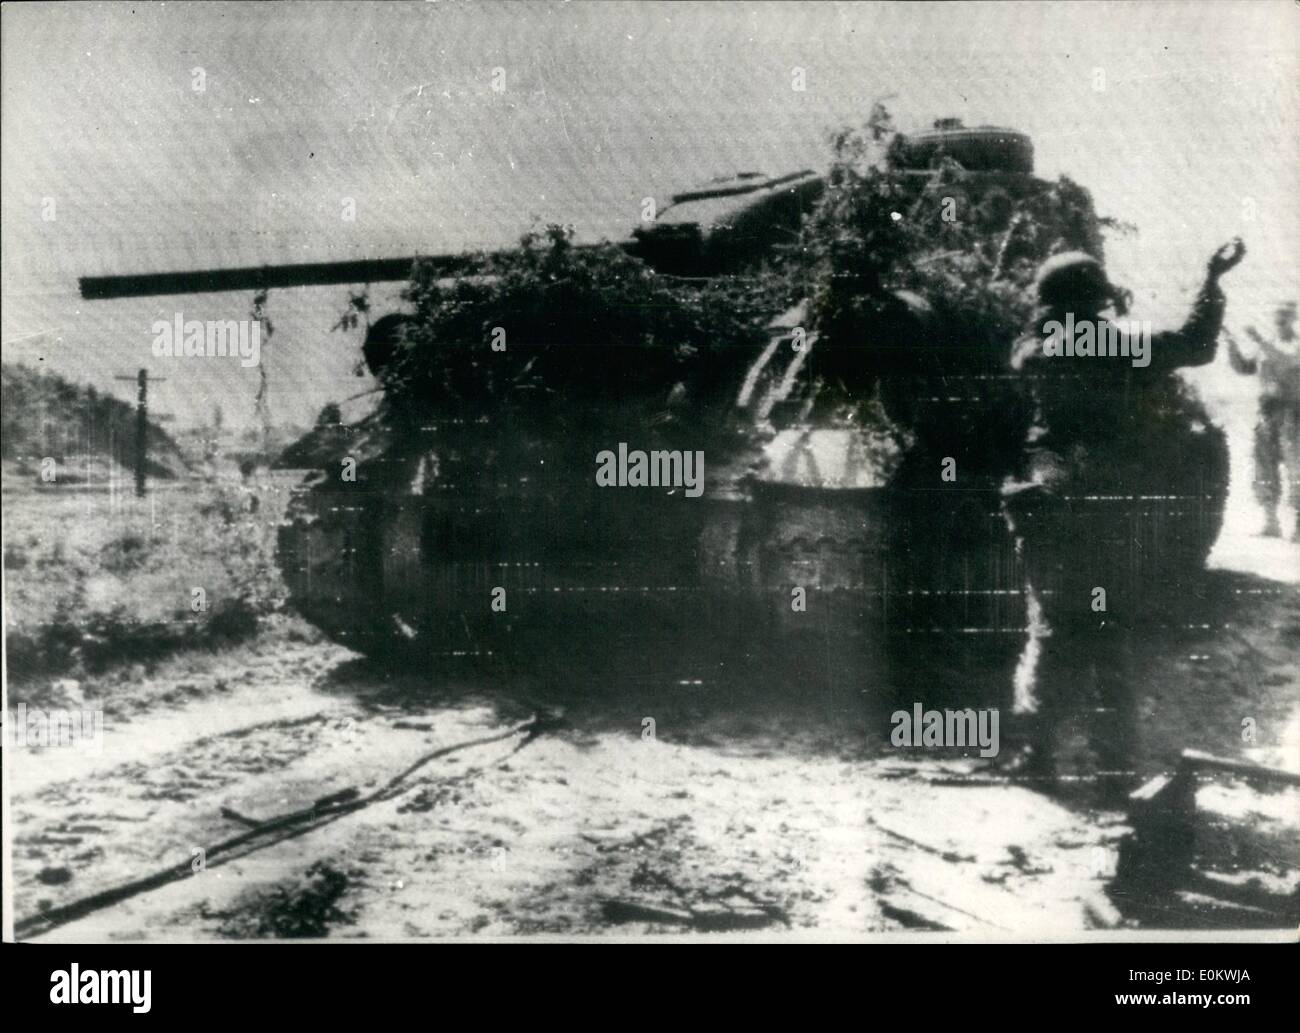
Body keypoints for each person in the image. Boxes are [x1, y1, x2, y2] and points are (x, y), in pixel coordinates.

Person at [999, 240, 1246, 791]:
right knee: (1106, 631)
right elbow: (1195, 344)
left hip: (1047, 500)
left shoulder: (1031, 347)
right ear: (1096, 298)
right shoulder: (1113, 343)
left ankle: (1037, 755)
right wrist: (1211, 279)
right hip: (1106, 506)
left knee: (1050, 631)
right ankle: (1112, 765)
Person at [1226, 301, 1300, 539]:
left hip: (1293, 413)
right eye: (1277, 317)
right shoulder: (1267, 345)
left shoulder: (1295, 345)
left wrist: (1258, 340)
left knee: (1296, 468)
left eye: (1284, 318)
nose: (1279, 322)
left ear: (1293, 319)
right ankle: (1271, 522)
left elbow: (1287, 361)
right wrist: (1231, 345)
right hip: (1267, 411)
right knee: (1263, 467)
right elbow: (1245, 368)